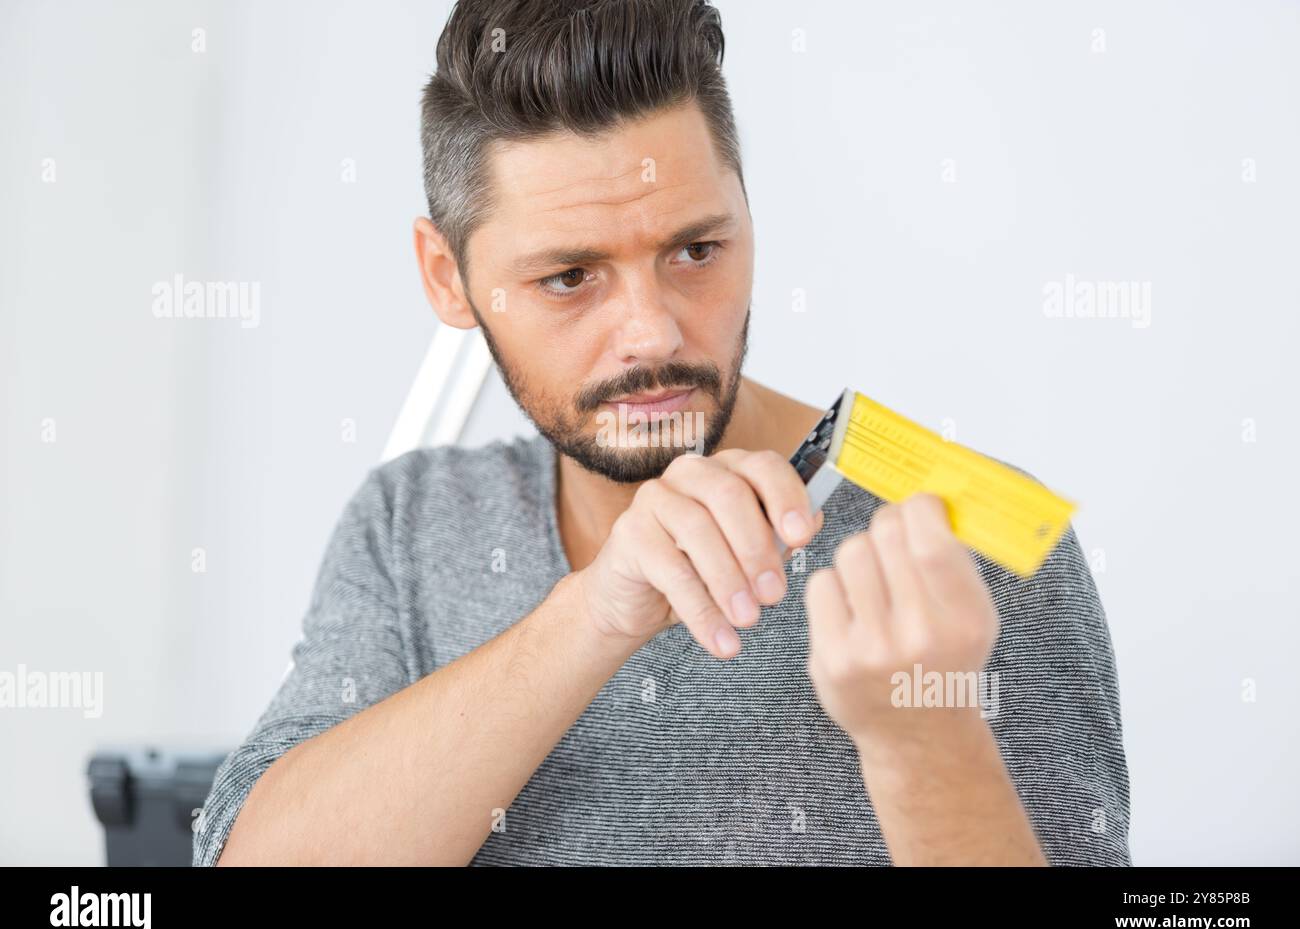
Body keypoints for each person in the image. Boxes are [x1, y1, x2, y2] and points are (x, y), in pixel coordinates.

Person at [194, 0, 1130, 866]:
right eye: (570, 276)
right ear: (448, 277)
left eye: (695, 250)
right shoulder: (413, 525)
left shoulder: (962, 538)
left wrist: (926, 744)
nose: (653, 332)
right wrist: (597, 611)